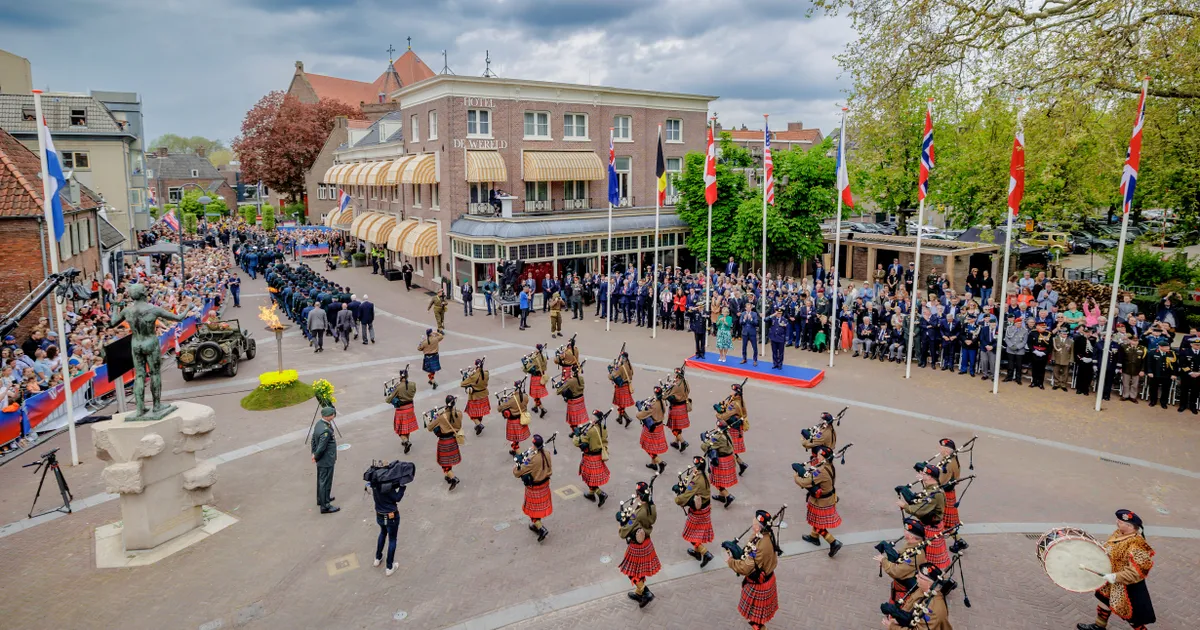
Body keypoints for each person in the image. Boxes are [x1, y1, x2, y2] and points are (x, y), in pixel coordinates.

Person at [1077, 509, 1156, 630]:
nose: (1117, 522)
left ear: (1129, 526)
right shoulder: (1119, 533)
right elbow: (1111, 547)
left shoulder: (1137, 544)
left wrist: (1115, 577)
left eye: (1120, 521)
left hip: (1128, 586)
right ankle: (1099, 627)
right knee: (1104, 600)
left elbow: (1138, 572)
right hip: (1111, 579)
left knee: (1133, 618)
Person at [725, 509, 781, 630]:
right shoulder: (767, 534)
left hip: (759, 584)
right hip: (767, 579)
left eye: (755, 523)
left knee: (757, 622)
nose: (753, 524)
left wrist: (730, 561)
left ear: (759, 527)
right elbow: (748, 552)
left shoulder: (759, 546)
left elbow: (746, 567)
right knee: (755, 620)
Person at [898, 462, 949, 570]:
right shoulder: (932, 488)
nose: (922, 475)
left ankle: (935, 577)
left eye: (924, 474)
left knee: (932, 559)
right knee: (925, 554)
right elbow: (922, 497)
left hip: (931, 527)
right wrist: (922, 480)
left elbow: (920, 510)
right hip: (930, 524)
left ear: (930, 477)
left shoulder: (934, 494)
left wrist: (905, 506)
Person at [618, 480, 661, 608]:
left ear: (639, 495)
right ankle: (639, 593)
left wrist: (621, 523)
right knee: (640, 570)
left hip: (637, 546)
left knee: (631, 572)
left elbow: (623, 533)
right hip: (647, 542)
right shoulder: (652, 507)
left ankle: (646, 592)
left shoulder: (637, 514)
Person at [795, 445, 843, 557]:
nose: (817, 456)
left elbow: (805, 482)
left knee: (818, 524)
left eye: (819, 455)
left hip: (822, 501)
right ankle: (814, 537)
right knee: (817, 520)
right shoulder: (829, 466)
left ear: (823, 457)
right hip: (828, 498)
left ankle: (833, 542)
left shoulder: (821, 471)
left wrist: (796, 475)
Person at [884, 563, 952, 630]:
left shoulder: (932, 609)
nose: (916, 576)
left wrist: (892, 627)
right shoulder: (923, 589)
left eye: (920, 577)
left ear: (929, 584)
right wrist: (898, 620)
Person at [876, 518, 927, 604]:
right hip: (902, 580)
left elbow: (897, 571)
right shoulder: (912, 544)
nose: (904, 533)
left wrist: (884, 561)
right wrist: (887, 560)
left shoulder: (915, 554)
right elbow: (899, 557)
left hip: (906, 584)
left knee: (900, 610)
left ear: (911, 536)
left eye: (906, 531)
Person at [675, 454, 714, 567]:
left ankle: (705, 553)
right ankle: (697, 554)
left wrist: (677, 499)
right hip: (705, 508)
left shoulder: (696, 481)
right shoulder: (704, 476)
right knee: (697, 533)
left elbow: (687, 494)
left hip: (698, 511)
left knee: (691, 535)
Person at [513, 434, 553, 543]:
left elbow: (517, 472)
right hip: (545, 484)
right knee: (538, 508)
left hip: (535, 487)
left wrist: (519, 463)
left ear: (534, 445)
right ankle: (537, 525)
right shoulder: (547, 453)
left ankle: (541, 528)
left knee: (532, 509)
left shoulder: (531, 459)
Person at [369, 463, 407, 577]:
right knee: (392, 539)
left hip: (379, 514)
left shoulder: (374, 484)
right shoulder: (387, 487)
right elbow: (397, 498)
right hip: (391, 516)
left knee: (382, 533)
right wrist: (402, 487)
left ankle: (378, 557)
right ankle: (389, 567)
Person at [934, 438, 967, 553]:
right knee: (947, 522)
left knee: (939, 520)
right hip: (950, 493)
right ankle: (959, 541)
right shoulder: (953, 459)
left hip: (944, 494)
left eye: (941, 447)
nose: (939, 449)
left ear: (947, 451)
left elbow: (940, 481)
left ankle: (933, 544)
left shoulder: (947, 464)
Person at [573, 409, 610, 507]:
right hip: (599, 455)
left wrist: (576, 435)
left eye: (593, 418)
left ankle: (600, 493)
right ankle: (591, 494)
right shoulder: (603, 427)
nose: (591, 419)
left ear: (595, 419)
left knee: (588, 477)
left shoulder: (590, 431)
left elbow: (577, 443)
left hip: (590, 456)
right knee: (591, 478)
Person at [426, 395, 463, 492]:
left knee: (444, 463)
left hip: (444, 441)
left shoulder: (441, 416)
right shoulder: (459, 413)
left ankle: (453, 478)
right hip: (453, 439)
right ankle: (448, 476)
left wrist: (434, 419)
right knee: (449, 460)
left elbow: (429, 428)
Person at [703, 418, 738, 508]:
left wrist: (705, 439)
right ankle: (721, 496)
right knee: (720, 480)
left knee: (716, 481)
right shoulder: (727, 433)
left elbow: (704, 446)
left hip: (722, 460)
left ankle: (727, 495)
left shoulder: (717, 437)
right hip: (729, 458)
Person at [311, 406, 339, 514]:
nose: (333, 416)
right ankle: (325, 505)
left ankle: (321, 499)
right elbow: (322, 447)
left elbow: (313, 439)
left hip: (322, 459)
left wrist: (313, 453)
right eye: (332, 414)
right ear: (328, 416)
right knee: (326, 482)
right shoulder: (326, 430)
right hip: (326, 459)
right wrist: (316, 456)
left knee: (321, 480)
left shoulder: (319, 424)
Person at [636, 385, 669, 473]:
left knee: (648, 447)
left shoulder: (653, 405)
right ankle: (653, 464)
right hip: (659, 425)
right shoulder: (662, 401)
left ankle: (660, 462)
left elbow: (640, 415)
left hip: (652, 427)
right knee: (653, 447)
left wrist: (640, 408)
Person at [388, 368, 418, 455]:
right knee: (407, 427)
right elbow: (413, 392)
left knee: (399, 429)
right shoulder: (413, 384)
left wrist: (392, 393)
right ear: (407, 376)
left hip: (401, 410)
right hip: (410, 408)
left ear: (400, 376)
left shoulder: (398, 387)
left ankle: (405, 441)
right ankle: (406, 440)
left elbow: (388, 399)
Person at [460, 358, 491, 435]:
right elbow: (484, 373)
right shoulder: (486, 374)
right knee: (480, 412)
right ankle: (478, 424)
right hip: (484, 395)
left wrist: (468, 377)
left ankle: (479, 425)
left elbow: (462, 384)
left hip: (475, 397)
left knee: (472, 413)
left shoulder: (473, 377)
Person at [665, 366, 691, 451]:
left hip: (676, 408)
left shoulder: (676, 385)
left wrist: (667, 388)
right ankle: (676, 442)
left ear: (678, 375)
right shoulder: (686, 382)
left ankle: (683, 442)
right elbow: (688, 391)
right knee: (678, 427)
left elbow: (666, 396)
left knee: (674, 429)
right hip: (683, 406)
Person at [1145, 339, 1176, 409]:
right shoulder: (1152, 352)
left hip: (1167, 375)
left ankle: (1163, 402)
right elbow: (1149, 363)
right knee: (1153, 388)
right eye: (1166, 347)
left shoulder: (1172, 353)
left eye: (1168, 346)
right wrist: (1149, 372)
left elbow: (1174, 365)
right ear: (1160, 347)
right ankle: (1153, 401)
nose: (1168, 348)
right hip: (1155, 374)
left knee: (1166, 389)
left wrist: (1174, 374)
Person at [555, 362, 588, 430]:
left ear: (572, 372)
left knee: (573, 421)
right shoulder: (581, 378)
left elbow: (558, 391)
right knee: (577, 418)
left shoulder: (570, 381)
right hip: (581, 399)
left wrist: (560, 389)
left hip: (573, 401)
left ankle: (576, 434)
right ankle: (577, 430)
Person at [609, 349, 635, 427]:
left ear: (623, 358)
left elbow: (611, 376)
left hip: (621, 387)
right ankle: (620, 418)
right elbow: (632, 373)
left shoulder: (620, 367)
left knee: (620, 405)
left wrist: (613, 369)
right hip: (626, 386)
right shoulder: (629, 365)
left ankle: (627, 418)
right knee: (621, 404)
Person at [524, 344, 550, 418]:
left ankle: (542, 408)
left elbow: (528, 367)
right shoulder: (544, 358)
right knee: (537, 394)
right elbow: (545, 368)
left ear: (537, 350)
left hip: (535, 377)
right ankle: (535, 407)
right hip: (541, 376)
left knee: (535, 396)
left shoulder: (534, 358)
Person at [1177, 337, 1200, 414]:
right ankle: (1182, 405)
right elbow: (1182, 364)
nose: (1197, 346)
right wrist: (1190, 372)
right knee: (1184, 390)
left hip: (1198, 375)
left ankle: (1192, 406)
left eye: (1199, 345)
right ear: (1191, 344)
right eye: (1196, 345)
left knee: (1195, 391)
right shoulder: (1185, 352)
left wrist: (1198, 373)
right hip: (1187, 374)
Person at [1075, 327, 1099, 395]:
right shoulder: (1079, 339)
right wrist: (1081, 358)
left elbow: (1095, 350)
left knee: (1088, 375)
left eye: (1089, 332)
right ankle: (1079, 388)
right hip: (1082, 359)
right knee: (1080, 374)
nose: (1088, 333)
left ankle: (1086, 389)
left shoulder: (1094, 339)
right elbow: (1076, 350)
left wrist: (1092, 358)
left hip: (1090, 360)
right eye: (1086, 332)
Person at [1052, 327, 1074, 391]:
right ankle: (1056, 384)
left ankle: (1063, 385)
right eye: (1064, 334)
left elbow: (1072, 352)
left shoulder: (1071, 341)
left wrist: (1071, 360)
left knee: (1065, 373)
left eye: (1066, 334)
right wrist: (1053, 358)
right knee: (1056, 372)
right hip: (1057, 358)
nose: (1065, 335)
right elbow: (1053, 350)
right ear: (1060, 334)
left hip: (1066, 359)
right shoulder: (1055, 339)